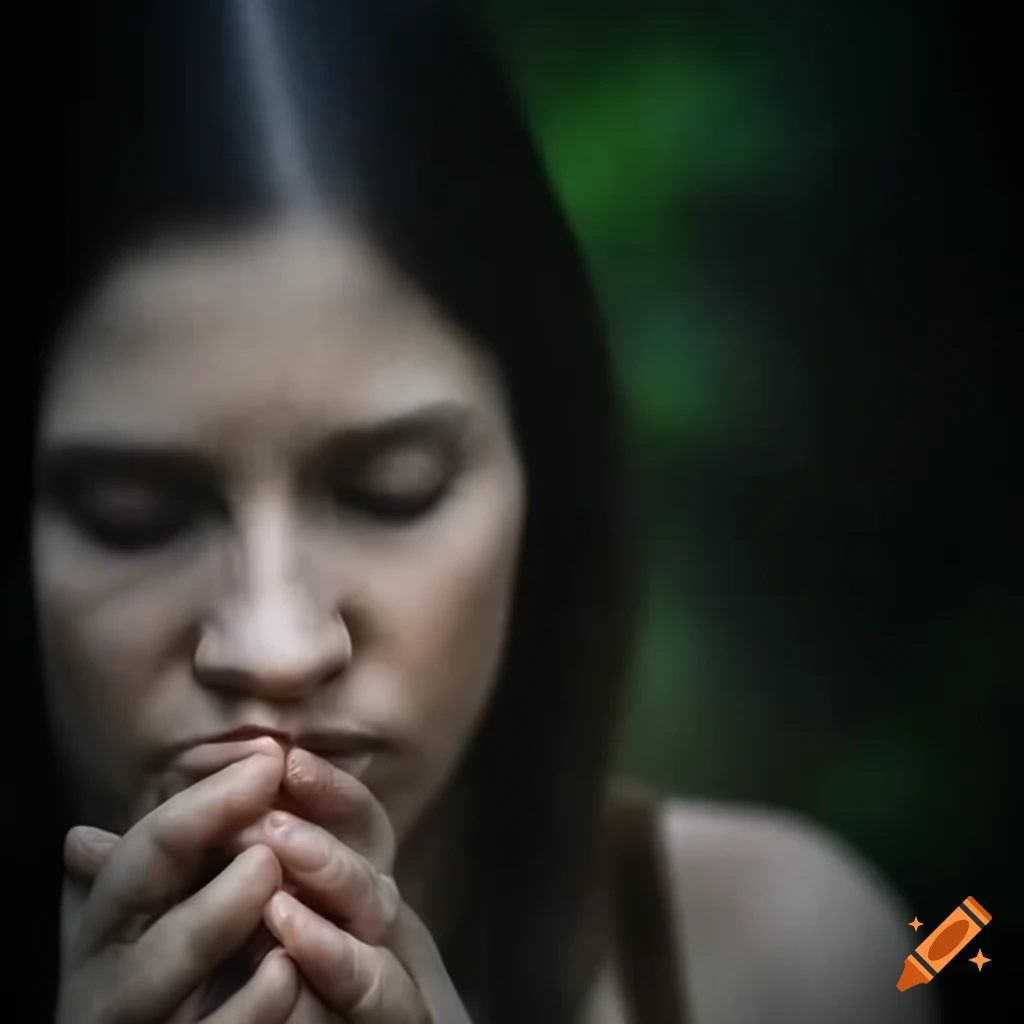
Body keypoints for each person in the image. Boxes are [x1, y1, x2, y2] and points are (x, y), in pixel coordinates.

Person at [3, 2, 938, 1022]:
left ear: (541, 468)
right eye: (130, 513)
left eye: (392, 491)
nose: (274, 642)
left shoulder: (804, 962)